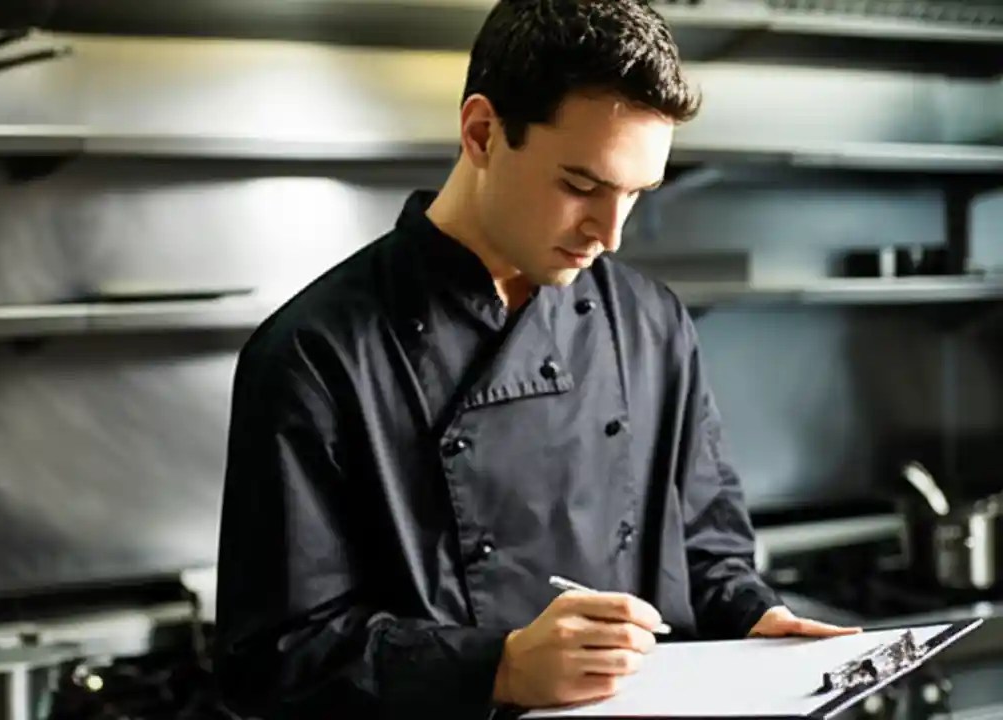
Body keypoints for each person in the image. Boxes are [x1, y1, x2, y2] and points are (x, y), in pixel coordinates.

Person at [214, 1, 860, 717]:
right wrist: (500, 668)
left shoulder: (652, 321)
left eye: (636, 195)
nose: (609, 235)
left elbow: (708, 550)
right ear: (482, 132)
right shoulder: (315, 354)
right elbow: (276, 659)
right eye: (581, 186)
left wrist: (754, 620)